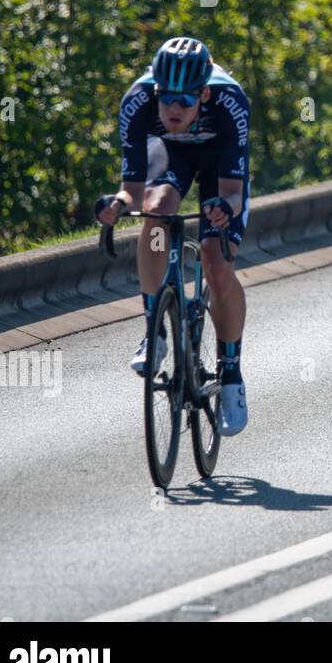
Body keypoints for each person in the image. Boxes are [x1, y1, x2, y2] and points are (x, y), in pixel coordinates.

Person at [96, 37, 251, 436]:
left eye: (184, 101)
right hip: (172, 157)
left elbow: (233, 194)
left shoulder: (230, 102)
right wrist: (116, 204)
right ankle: (155, 332)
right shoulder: (138, 101)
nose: (173, 109)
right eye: (166, 99)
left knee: (217, 264)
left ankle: (231, 375)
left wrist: (223, 210)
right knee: (156, 211)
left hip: (220, 164)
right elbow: (132, 189)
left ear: (203, 93)